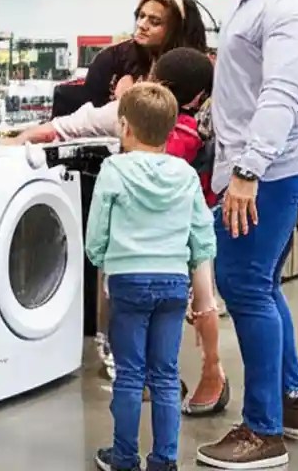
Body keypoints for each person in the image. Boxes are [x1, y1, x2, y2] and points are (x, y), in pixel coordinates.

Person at [8, 48, 230, 415]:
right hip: (181, 253)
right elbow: (203, 216)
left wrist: (102, 262)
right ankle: (205, 376)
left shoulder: (121, 153)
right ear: (198, 97)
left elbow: (67, 130)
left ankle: (126, 441)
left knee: (128, 353)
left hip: (131, 263)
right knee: (192, 317)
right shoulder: (205, 130)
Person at [193, 0, 298, 470]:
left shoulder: (290, 2)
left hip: (272, 167)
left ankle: (262, 431)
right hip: (260, 163)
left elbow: (281, 93)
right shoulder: (255, 2)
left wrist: (248, 173)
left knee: (243, 283)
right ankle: (294, 403)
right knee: (261, 285)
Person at [85, 82, 217, 471]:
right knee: (165, 374)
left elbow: (98, 233)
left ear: (124, 126)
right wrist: (199, 286)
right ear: (172, 130)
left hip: (128, 282)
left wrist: (101, 258)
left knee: (129, 374)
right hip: (173, 283)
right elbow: (201, 235)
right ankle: (164, 460)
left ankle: (124, 458)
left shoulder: (113, 169)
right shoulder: (185, 174)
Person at [82, 0, 209, 111]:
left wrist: (127, 100)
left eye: (154, 22)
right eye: (141, 16)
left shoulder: (193, 70)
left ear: (177, 30)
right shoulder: (111, 59)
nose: (142, 25)